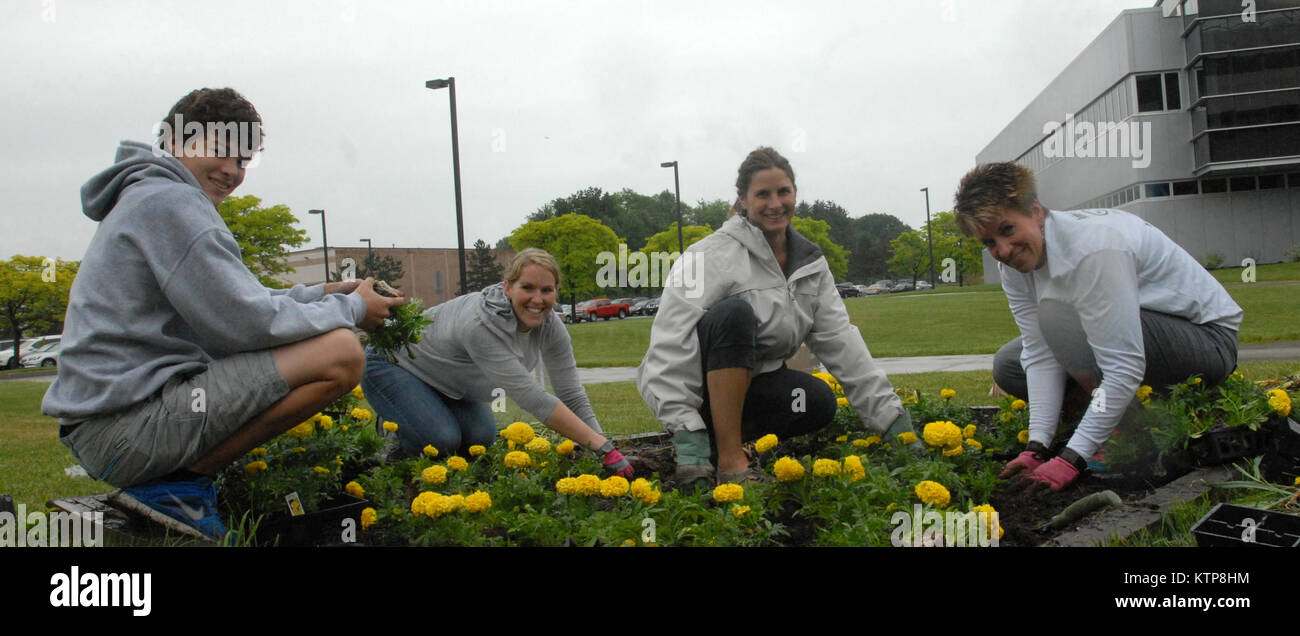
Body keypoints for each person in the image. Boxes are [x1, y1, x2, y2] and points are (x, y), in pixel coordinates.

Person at [42, 88, 405, 540]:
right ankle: (180, 488)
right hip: (121, 430)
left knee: (333, 343)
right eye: (221, 152)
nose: (233, 172)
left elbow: (240, 302)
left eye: (244, 162)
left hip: (109, 426)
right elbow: (245, 323)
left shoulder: (153, 194)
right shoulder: (170, 202)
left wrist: (325, 291)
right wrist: (351, 308)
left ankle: (181, 484)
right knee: (341, 353)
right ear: (175, 141)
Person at [952, 162, 1242, 491]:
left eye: (1007, 230)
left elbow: (1123, 366)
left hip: (1206, 342)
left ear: (1036, 212)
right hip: (1132, 339)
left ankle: (1122, 433)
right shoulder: (1014, 265)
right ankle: (1112, 416)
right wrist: (1036, 447)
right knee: (1010, 364)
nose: (1002, 250)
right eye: (989, 242)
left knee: (1061, 320)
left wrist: (1070, 458)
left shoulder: (1093, 248)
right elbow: (1040, 352)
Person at [638, 147, 914, 488]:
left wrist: (892, 420)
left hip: (754, 390)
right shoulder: (708, 256)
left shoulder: (810, 263)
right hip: (701, 394)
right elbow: (670, 344)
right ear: (742, 200)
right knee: (735, 315)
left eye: (783, 191)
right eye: (762, 194)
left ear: (795, 194)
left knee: (815, 402)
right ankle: (726, 458)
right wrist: (685, 428)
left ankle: (727, 442)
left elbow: (840, 341)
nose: (775, 203)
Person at [360, 248, 634, 477]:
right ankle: (394, 432)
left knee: (480, 438)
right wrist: (602, 448)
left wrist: (604, 446)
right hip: (392, 365)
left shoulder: (551, 327)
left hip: (447, 381)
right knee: (441, 440)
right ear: (508, 287)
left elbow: (571, 393)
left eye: (547, 290)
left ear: (556, 291)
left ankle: (422, 416)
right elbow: (532, 397)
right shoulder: (480, 324)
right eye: (527, 287)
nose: (537, 299)